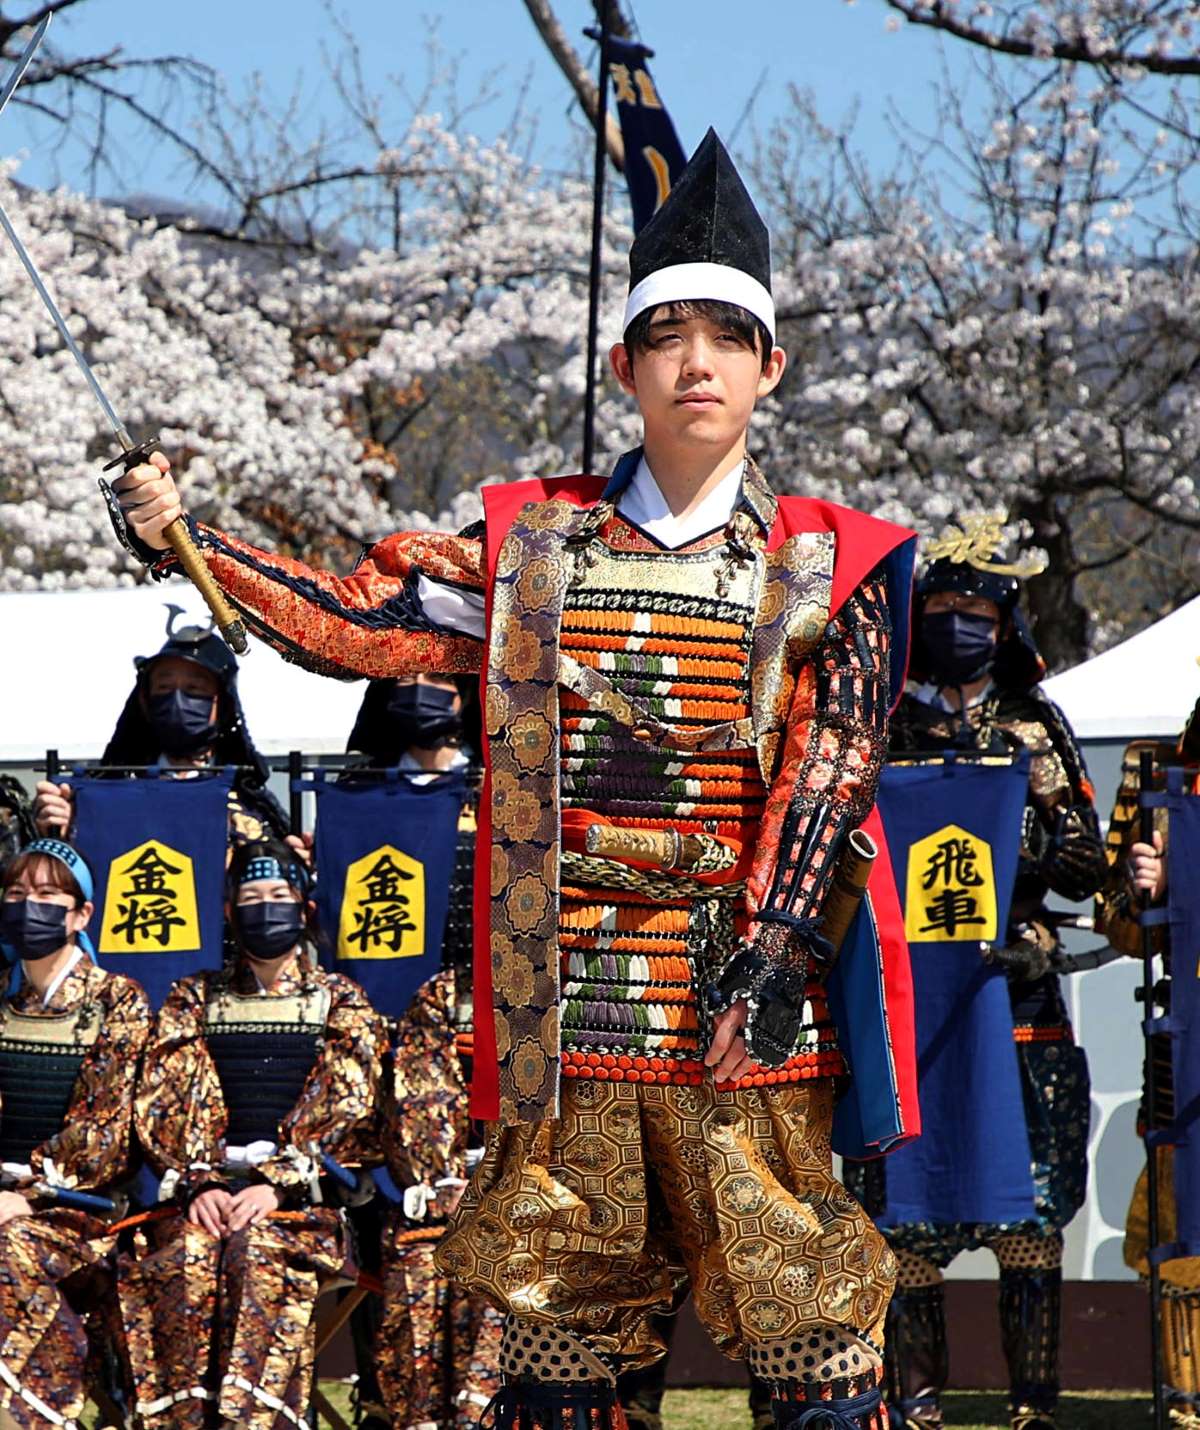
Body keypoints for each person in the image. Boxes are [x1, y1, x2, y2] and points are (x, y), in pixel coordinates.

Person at [108, 129, 920, 1429]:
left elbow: (835, 759)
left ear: (772, 363)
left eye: (726, 338)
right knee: (564, 1358)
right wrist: (191, 538)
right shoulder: (528, 547)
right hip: (573, 995)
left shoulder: (839, 558)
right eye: (669, 337)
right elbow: (351, 619)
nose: (696, 364)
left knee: (814, 1344)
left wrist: (770, 959)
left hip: (740, 994)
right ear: (625, 365)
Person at [844, 524, 1107, 1430]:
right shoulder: (882, 725)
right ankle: (916, 1409)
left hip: (1017, 1001)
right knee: (905, 1228)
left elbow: (1088, 865)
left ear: (1007, 627)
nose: (960, 626)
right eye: (944, 610)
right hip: (907, 1008)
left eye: (978, 613)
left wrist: (1029, 826)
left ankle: (1033, 1407)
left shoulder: (1034, 724)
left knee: (1030, 1222)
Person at [118, 836, 384, 1429]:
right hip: (203, 1200)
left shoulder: (340, 1001)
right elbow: (165, 1105)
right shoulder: (193, 998)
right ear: (230, 912)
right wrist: (198, 1186)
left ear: (305, 909)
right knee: (181, 1262)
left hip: (296, 1208)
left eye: (279, 895)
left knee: (257, 1255)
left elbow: (351, 1109)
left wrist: (277, 1186)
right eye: (251, 896)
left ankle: (260, 1421)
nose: (266, 908)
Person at [338, 673, 502, 1430]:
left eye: (439, 679)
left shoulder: (504, 791)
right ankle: (382, 1401)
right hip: (384, 1034)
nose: (423, 695)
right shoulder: (357, 800)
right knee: (382, 1221)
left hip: (486, 1025)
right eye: (406, 681)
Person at [0, 837, 151, 1429]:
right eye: (15, 894)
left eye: (45, 895)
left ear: (82, 913)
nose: (27, 905)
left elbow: (104, 1135)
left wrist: (24, 1193)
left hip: (74, 1213)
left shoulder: (118, 1002)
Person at [1095, 706, 1200, 1428]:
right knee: (1185, 1207)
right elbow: (1117, 921)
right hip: (1186, 1038)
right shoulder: (1160, 769)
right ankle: (1188, 1398)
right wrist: (1149, 888)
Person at [32, 610, 287, 848]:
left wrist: (294, 860)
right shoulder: (105, 793)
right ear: (144, 699)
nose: (177, 700)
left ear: (224, 703)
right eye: (164, 688)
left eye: (194, 690)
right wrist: (59, 837)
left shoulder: (249, 801)